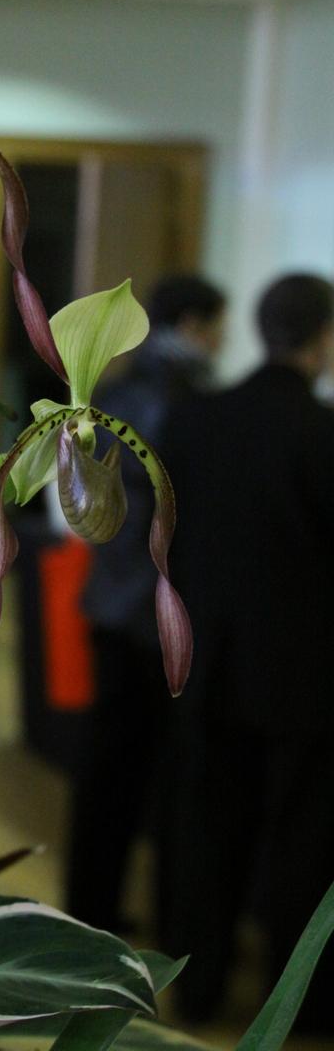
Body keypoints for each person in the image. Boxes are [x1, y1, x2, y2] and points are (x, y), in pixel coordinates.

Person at [160, 273, 334, 1033]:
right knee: (302, 838)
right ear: (322, 338)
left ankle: (197, 992)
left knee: (208, 831)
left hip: (209, 660)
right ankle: (301, 1004)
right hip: (305, 673)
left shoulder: (195, 420)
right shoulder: (322, 432)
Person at [65, 274, 226, 933]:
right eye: (217, 325)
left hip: (110, 598)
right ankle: (174, 924)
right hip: (157, 611)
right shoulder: (188, 400)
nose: (222, 340)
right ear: (193, 325)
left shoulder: (113, 388)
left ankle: (89, 909)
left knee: (106, 772)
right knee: (166, 777)